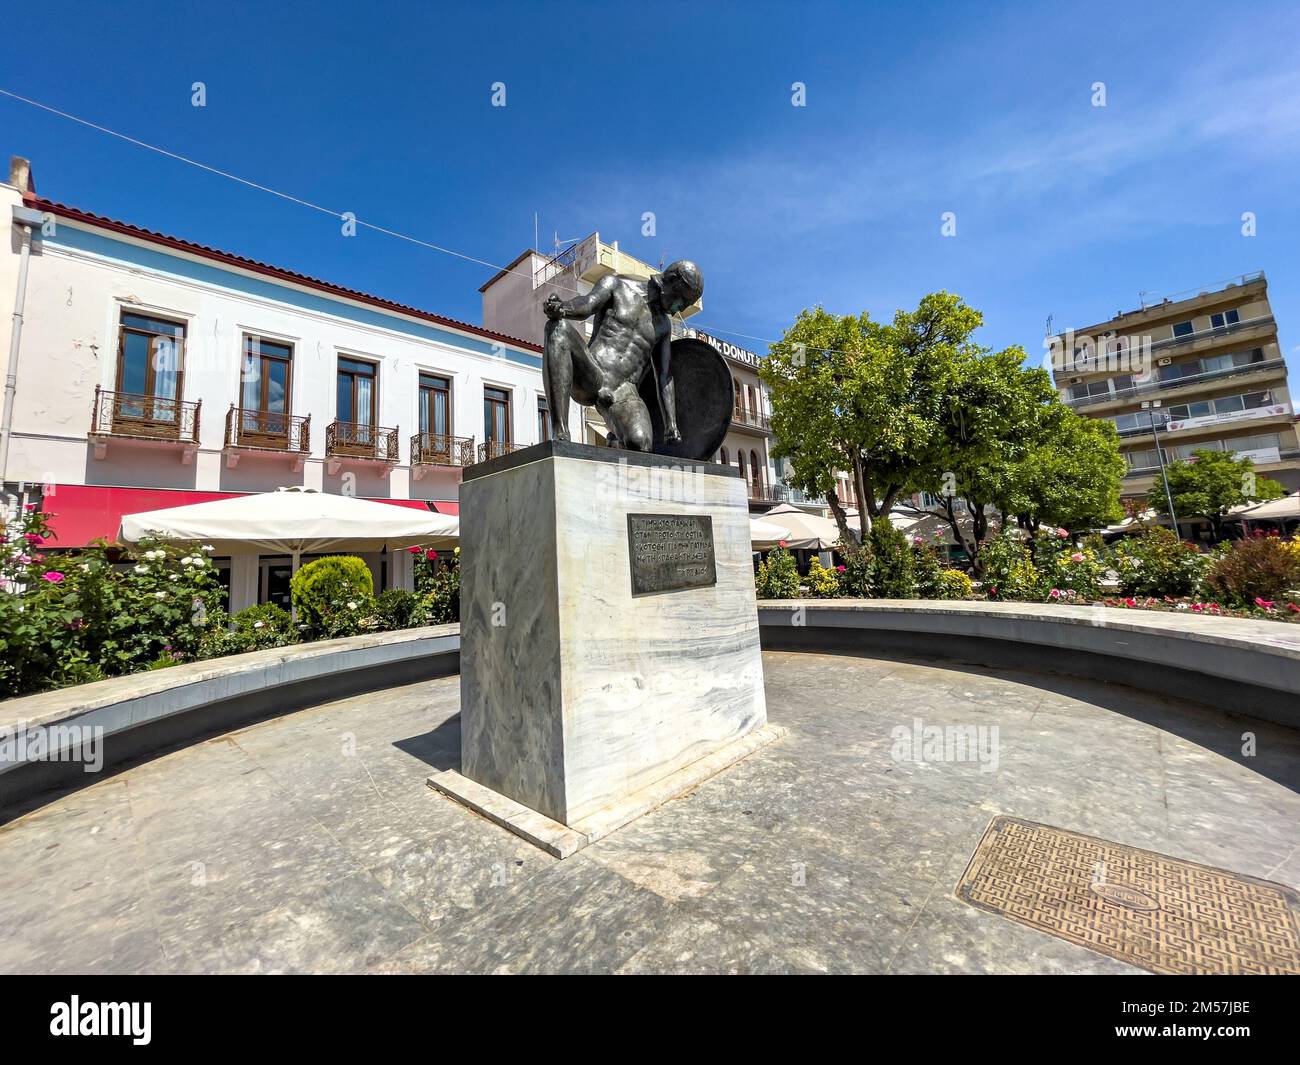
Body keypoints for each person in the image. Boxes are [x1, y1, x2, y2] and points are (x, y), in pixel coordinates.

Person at [541, 260, 703, 451]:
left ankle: (615, 439)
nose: (681, 309)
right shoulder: (615, 285)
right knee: (557, 329)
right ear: (672, 280)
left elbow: (664, 376)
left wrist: (671, 424)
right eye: (682, 300)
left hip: (623, 392)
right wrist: (562, 308)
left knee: (641, 444)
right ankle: (561, 433)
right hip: (592, 372)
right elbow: (587, 304)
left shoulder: (664, 325)